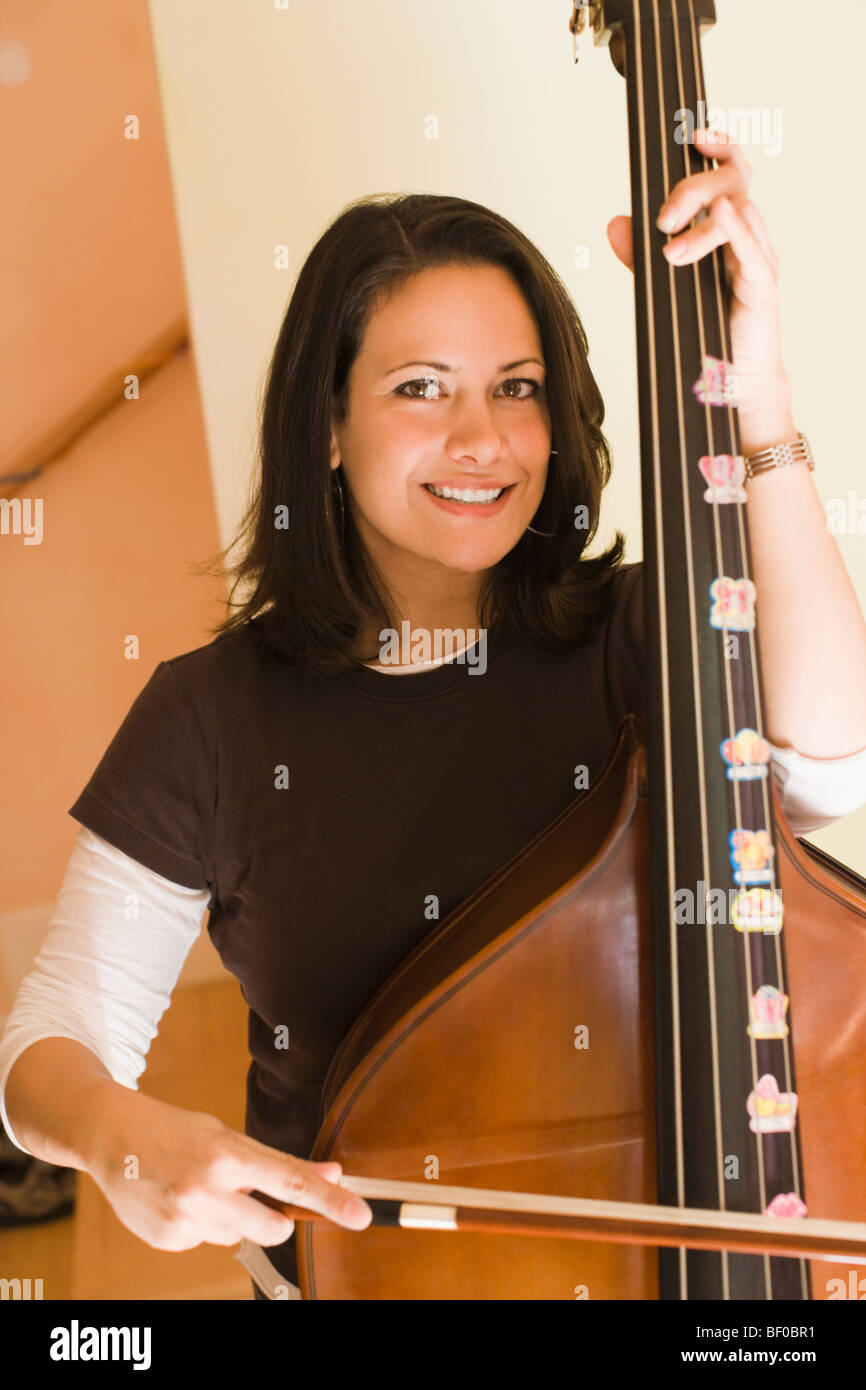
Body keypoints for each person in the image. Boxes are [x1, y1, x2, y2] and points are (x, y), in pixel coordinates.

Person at [2, 131, 866, 1301]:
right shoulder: (211, 716)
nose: (482, 441)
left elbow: (828, 765)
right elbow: (51, 1046)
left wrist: (752, 389)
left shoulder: (639, 629)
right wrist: (124, 1138)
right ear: (326, 423)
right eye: (420, 389)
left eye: (517, 389)